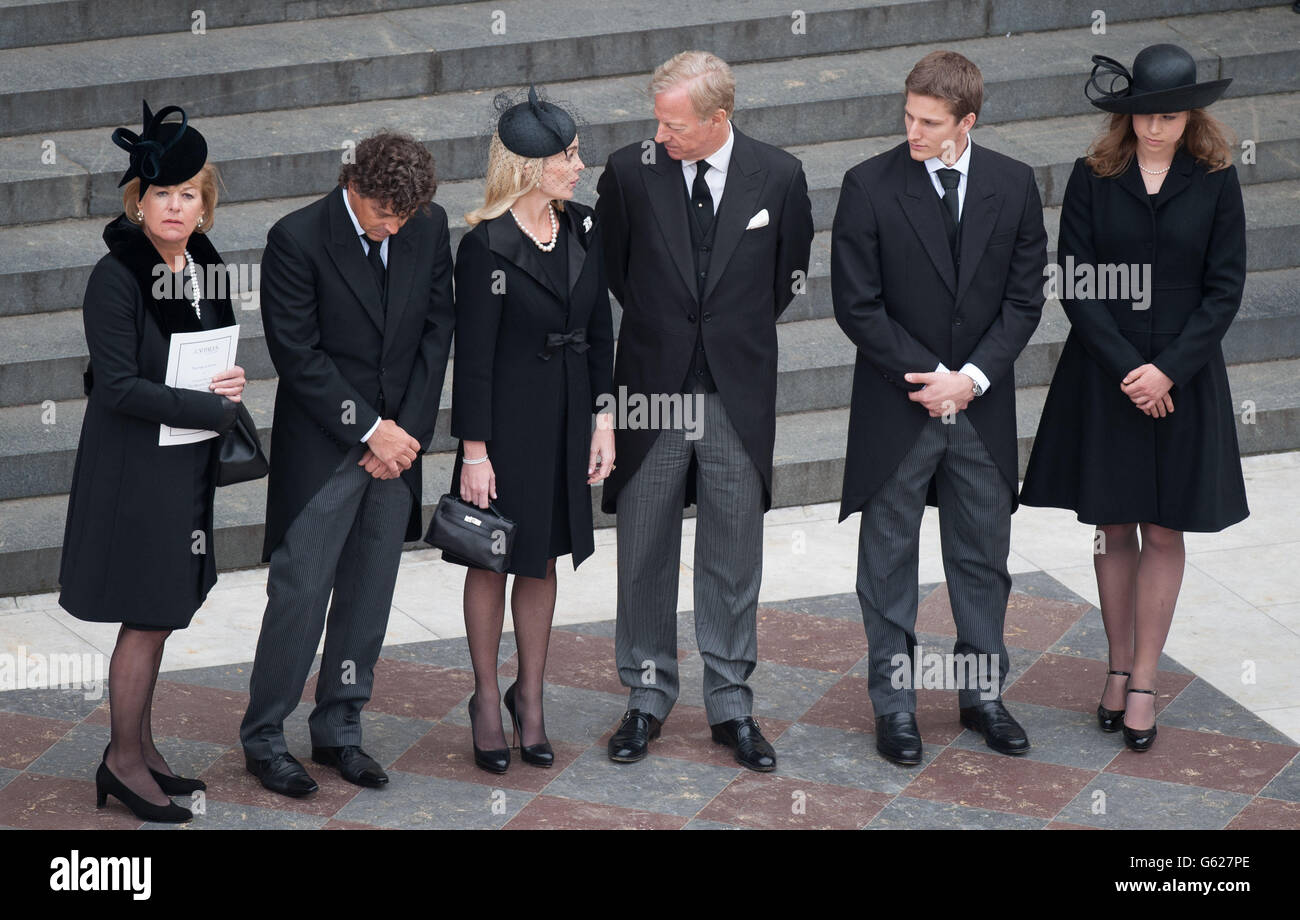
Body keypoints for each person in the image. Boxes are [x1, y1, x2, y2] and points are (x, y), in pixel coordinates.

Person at [1020, 44, 1247, 753]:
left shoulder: (1216, 179)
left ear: (1191, 116)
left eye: (1170, 116)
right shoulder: (1094, 177)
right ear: (1128, 116)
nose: (1155, 128)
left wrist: (1167, 372)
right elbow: (1077, 281)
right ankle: (1117, 666)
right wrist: (1129, 370)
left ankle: (1145, 679)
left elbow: (1224, 289)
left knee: (1165, 529)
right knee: (1114, 526)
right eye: (1145, 115)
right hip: (1104, 375)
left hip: (1185, 380)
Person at [596, 51, 813, 772]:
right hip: (650, 392)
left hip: (735, 396)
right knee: (643, 550)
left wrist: (720, 336)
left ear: (719, 118)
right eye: (657, 120)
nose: (661, 135)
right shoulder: (630, 171)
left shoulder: (778, 177)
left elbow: (785, 277)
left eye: (675, 124)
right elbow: (615, 271)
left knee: (732, 555)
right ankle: (647, 697)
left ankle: (731, 705)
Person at [831, 51, 1047, 766]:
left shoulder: (1014, 186)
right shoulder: (868, 186)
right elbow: (856, 306)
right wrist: (932, 379)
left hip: (979, 411)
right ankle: (895, 706)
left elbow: (1023, 300)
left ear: (968, 121)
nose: (913, 130)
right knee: (887, 563)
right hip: (901, 408)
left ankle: (981, 696)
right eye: (908, 116)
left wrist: (974, 379)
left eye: (929, 122)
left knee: (981, 560)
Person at [239, 132, 455, 795]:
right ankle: (265, 737)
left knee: (368, 599)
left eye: (405, 218)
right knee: (299, 596)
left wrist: (406, 433)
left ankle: (339, 730)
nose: (395, 229)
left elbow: (437, 328)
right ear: (354, 188)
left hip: (397, 454)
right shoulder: (296, 239)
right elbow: (298, 355)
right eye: (384, 215)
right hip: (327, 451)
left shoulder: (427, 222)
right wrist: (369, 430)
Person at [60, 102, 246, 822]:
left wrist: (229, 386)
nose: (175, 207)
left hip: (183, 466)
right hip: (133, 471)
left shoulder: (206, 263)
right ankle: (122, 760)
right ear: (140, 202)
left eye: (189, 194)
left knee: (165, 610)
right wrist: (212, 408)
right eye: (162, 194)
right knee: (144, 614)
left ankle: (139, 745)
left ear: (206, 204)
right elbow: (118, 386)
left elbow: (213, 357)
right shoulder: (116, 276)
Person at [448, 87, 615, 774]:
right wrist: (475, 453)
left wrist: (604, 418)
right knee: (493, 557)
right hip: (506, 427)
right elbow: (474, 361)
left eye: (576, 153)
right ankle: (487, 700)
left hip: (571, 418)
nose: (579, 166)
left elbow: (601, 327)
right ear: (528, 166)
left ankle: (532, 699)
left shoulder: (584, 227)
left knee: (542, 558)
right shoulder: (485, 246)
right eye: (567, 157)